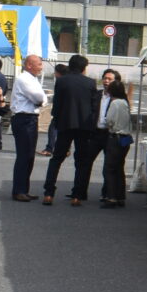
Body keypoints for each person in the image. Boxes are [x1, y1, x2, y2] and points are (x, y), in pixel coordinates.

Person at [42, 55, 102, 207]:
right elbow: (94, 107)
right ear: (83, 68)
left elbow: (57, 104)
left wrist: (57, 120)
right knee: (81, 161)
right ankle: (77, 195)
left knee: (56, 159)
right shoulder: (90, 83)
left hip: (65, 124)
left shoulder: (62, 81)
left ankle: (49, 193)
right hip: (84, 126)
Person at [8, 54, 49, 202]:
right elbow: (39, 98)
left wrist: (42, 100)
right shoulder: (24, 79)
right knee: (24, 156)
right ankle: (19, 190)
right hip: (24, 118)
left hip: (30, 118)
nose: (41, 66)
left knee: (29, 156)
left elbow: (42, 97)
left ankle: (24, 189)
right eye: (38, 64)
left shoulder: (33, 79)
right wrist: (41, 100)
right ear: (29, 65)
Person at [99, 75, 132, 208]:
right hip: (125, 139)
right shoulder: (125, 102)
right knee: (119, 168)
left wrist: (106, 123)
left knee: (109, 169)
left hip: (115, 138)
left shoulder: (115, 103)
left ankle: (111, 197)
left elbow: (109, 121)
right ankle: (120, 196)